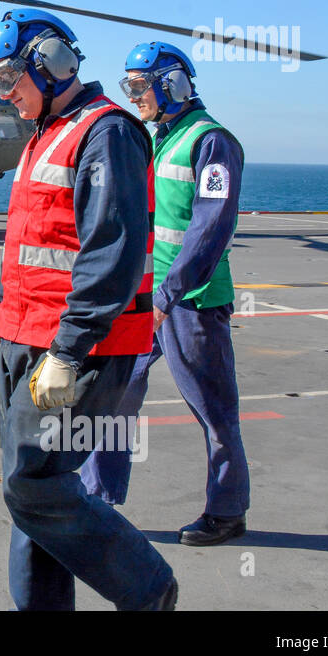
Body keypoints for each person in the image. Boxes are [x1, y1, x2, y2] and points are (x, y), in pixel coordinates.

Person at [0, 9, 176, 610]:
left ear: (51, 63)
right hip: (23, 335)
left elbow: (112, 248)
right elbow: (36, 246)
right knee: (27, 494)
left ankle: (148, 588)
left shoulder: (106, 132)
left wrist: (67, 348)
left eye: (9, 78)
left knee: (36, 486)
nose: (5, 94)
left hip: (72, 348)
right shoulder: (45, 135)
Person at [79, 42, 250, 545]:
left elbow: (210, 228)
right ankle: (96, 502)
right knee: (113, 400)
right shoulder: (157, 139)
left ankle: (227, 509)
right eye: (128, 87)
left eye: (139, 86)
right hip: (142, 299)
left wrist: (167, 294)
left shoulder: (211, 141)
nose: (134, 98)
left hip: (190, 303)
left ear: (172, 84)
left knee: (214, 411)